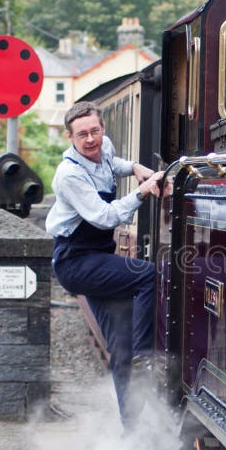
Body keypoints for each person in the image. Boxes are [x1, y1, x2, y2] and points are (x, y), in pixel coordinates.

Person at [45, 101, 167, 432]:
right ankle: (146, 356)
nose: (90, 139)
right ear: (70, 137)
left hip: (98, 254)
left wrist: (136, 167)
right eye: (82, 134)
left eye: (95, 131)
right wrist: (142, 192)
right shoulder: (69, 174)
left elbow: (113, 163)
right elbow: (104, 216)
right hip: (76, 260)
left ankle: (132, 431)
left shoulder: (104, 147)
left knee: (119, 346)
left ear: (102, 129)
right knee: (147, 276)